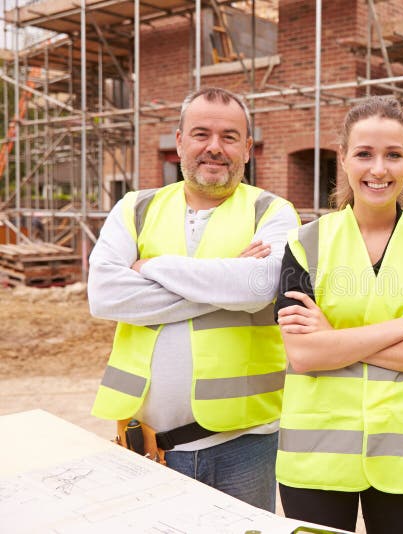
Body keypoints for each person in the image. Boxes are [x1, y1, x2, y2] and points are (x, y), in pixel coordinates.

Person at [88, 87, 298, 512]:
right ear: (180, 141)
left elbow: (261, 287)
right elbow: (104, 294)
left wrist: (151, 267)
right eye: (201, 134)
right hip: (146, 444)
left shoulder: (273, 212)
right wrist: (229, 283)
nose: (214, 148)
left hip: (244, 445)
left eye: (229, 137)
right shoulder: (136, 207)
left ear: (247, 147)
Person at [274, 95, 403, 533]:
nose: (378, 169)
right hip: (316, 460)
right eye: (364, 154)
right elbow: (303, 355)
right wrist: (401, 328)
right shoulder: (305, 244)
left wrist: (335, 340)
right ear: (343, 158)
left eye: (392, 155)